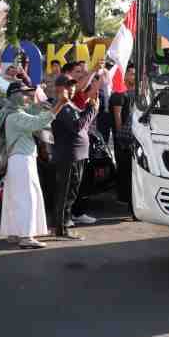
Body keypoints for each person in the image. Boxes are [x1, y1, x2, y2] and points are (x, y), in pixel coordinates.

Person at [0, 80, 69, 249]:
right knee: (27, 198)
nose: (27, 96)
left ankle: (16, 232)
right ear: (14, 96)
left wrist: (41, 104)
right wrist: (59, 104)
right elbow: (37, 122)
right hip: (22, 160)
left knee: (16, 198)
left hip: (18, 160)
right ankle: (26, 237)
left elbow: (33, 113)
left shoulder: (8, 112)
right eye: (23, 93)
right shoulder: (15, 116)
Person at [51, 75, 99, 240]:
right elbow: (78, 127)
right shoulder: (62, 107)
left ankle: (64, 224)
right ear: (58, 88)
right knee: (65, 193)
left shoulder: (69, 105)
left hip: (76, 155)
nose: (71, 88)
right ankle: (62, 228)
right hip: (67, 156)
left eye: (72, 85)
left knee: (71, 192)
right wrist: (93, 110)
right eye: (67, 86)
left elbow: (80, 120)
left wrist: (89, 108)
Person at [110, 64, 136, 212]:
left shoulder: (137, 93)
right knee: (125, 170)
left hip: (134, 137)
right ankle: (124, 198)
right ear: (125, 76)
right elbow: (118, 118)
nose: (133, 76)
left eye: (134, 73)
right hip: (124, 139)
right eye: (131, 73)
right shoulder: (119, 95)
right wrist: (121, 138)